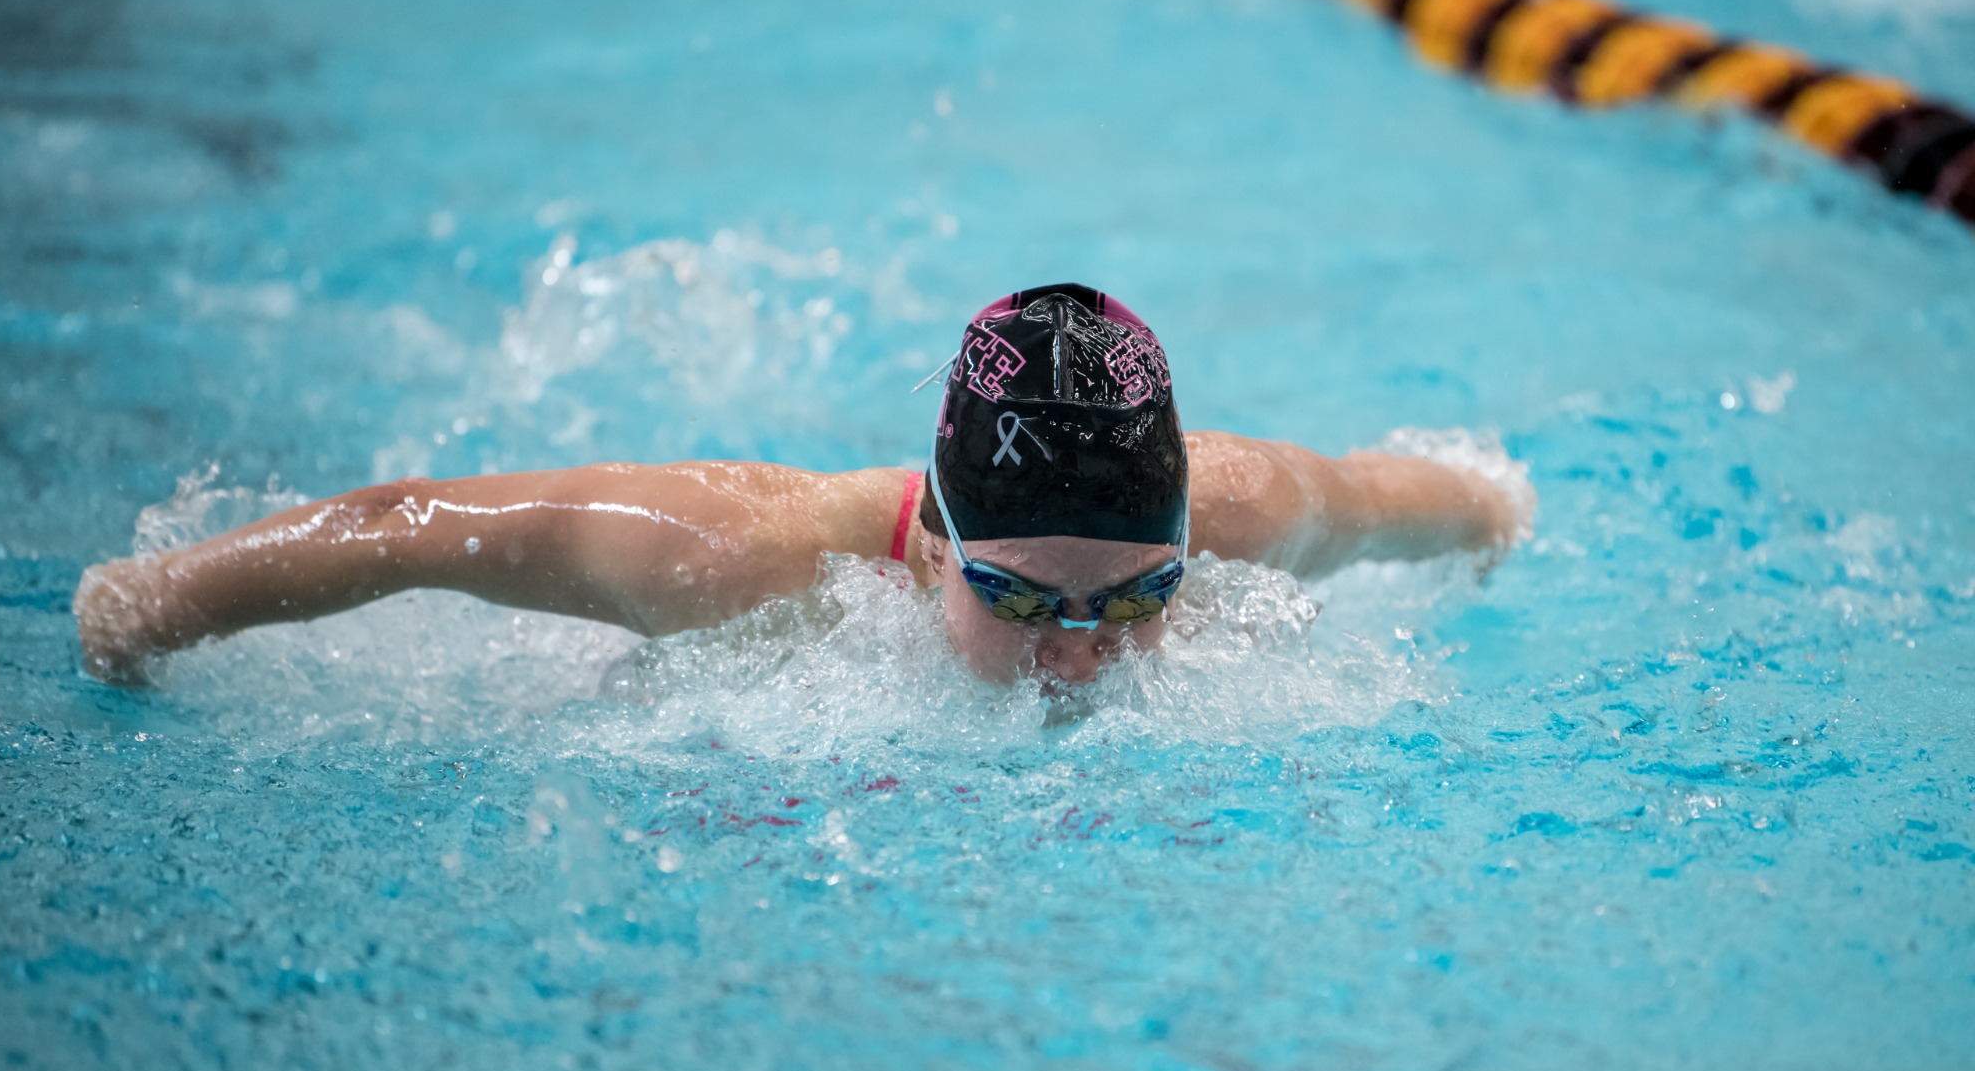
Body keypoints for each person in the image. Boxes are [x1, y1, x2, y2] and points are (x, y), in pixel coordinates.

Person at [74, 283, 1530, 688]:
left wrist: (1498, 515)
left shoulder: (1251, 511)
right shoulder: (741, 567)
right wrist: (140, 608)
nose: (1077, 654)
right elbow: (412, 528)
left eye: (1137, 599)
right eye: (1021, 598)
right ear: (939, 546)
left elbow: (1424, 495)